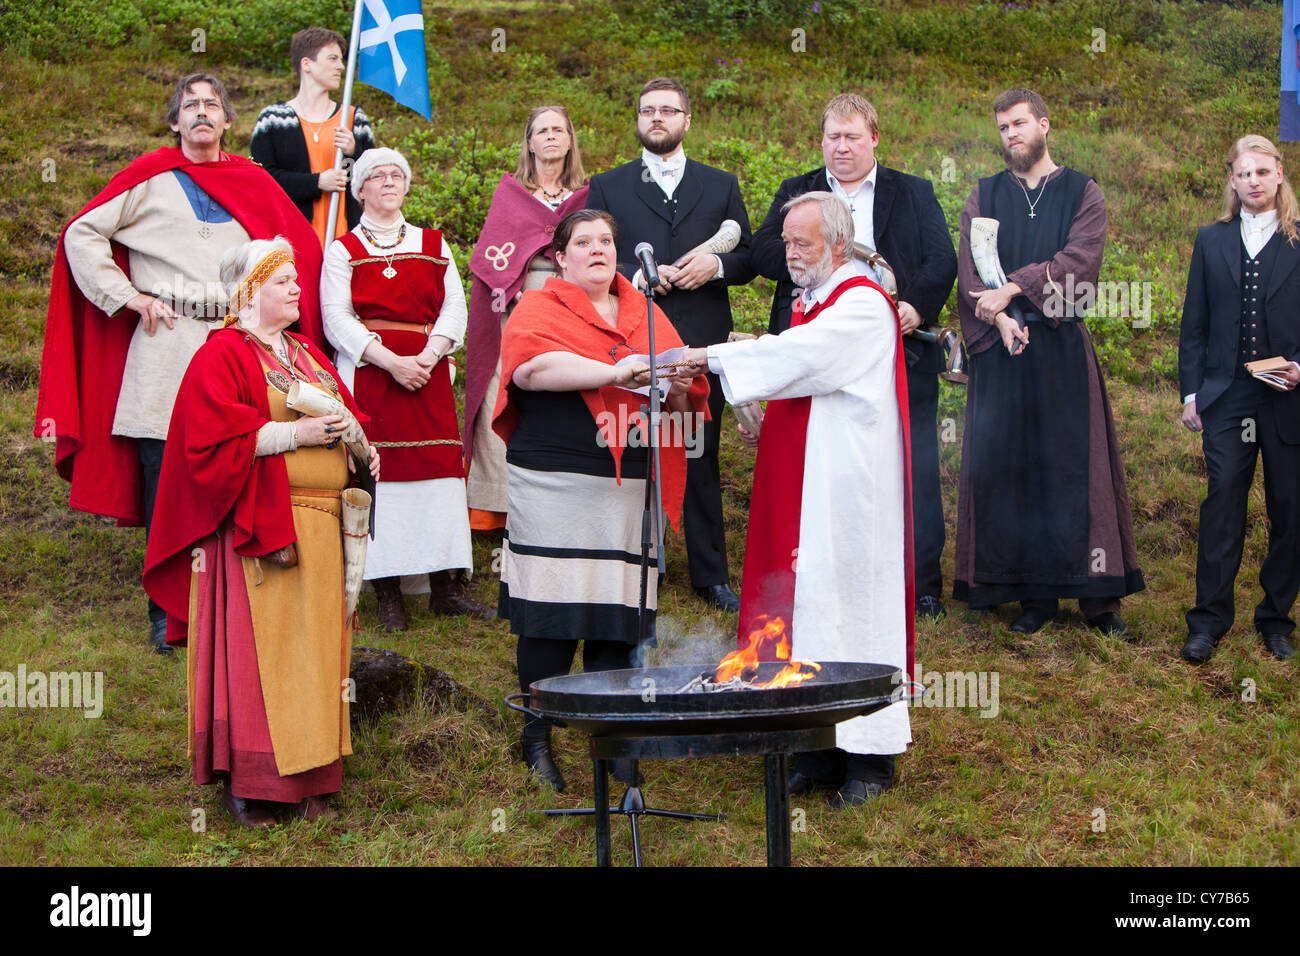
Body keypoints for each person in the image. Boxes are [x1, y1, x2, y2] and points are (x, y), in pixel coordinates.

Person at [35, 73, 324, 655]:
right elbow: (81, 233)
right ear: (174, 121)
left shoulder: (252, 182)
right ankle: (167, 611)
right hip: (164, 343)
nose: (200, 114)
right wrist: (126, 296)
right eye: (189, 105)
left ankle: (235, 603)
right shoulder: (148, 180)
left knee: (239, 461)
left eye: (211, 105)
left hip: (233, 342)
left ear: (226, 121)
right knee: (164, 474)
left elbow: (296, 255)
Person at [680, 192, 913, 808]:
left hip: (849, 492)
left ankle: (871, 754)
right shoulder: (816, 302)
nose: (788, 253)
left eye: (801, 243)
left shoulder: (861, 304)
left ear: (837, 244)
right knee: (807, 606)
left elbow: (805, 359)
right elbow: (797, 368)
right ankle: (817, 744)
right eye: (785, 242)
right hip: (808, 488)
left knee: (854, 607)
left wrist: (709, 355)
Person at [142, 237, 381, 827]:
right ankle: (256, 784)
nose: (298, 290)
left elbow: (348, 415)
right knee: (264, 656)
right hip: (260, 526)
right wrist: (294, 438)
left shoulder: (307, 354)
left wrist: (363, 449)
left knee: (321, 652)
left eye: (298, 280)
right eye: (284, 282)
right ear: (249, 292)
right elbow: (208, 445)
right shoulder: (220, 355)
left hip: (327, 528)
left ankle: (316, 775)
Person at [493, 209, 710, 792]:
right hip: (555, 477)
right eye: (582, 242)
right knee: (551, 612)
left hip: (631, 483)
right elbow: (534, 371)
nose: (597, 250)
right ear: (560, 258)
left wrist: (682, 387)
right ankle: (537, 733)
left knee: (621, 613)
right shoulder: (539, 306)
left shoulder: (647, 313)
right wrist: (621, 371)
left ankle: (611, 736)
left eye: (606, 241)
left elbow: (686, 410)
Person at [749, 93, 957, 621]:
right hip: (812, 348)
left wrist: (912, 306)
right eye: (832, 137)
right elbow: (763, 251)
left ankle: (921, 581)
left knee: (912, 462)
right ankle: (815, 572)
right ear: (821, 140)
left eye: (852, 137)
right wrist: (816, 253)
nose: (841, 147)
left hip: (898, 349)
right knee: (816, 461)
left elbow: (942, 259)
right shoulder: (798, 191)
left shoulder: (911, 192)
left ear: (874, 139)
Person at [953, 88, 1143, 635]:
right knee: (1014, 469)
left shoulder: (1084, 192)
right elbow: (971, 271)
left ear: (1044, 124)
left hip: (1060, 348)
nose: (1010, 135)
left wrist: (1014, 287)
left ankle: (1097, 598)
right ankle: (1033, 595)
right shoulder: (985, 194)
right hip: (1004, 350)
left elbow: (1078, 267)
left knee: (1073, 469)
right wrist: (1000, 318)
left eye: (1018, 124)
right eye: (1002, 128)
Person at [586, 77, 754, 613]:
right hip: (630, 334)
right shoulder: (609, 186)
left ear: (687, 120)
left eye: (668, 110)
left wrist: (718, 264)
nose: (657, 118)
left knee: (701, 450)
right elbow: (589, 254)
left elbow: (750, 256)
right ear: (637, 120)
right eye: (647, 111)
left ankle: (711, 575)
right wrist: (634, 278)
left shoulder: (720, 183)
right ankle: (631, 564)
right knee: (630, 445)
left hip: (701, 337)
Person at [321, 148, 493, 631]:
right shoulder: (343, 250)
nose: (389, 181)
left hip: (427, 372)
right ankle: (388, 592)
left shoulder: (433, 244)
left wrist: (428, 357)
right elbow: (337, 318)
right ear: (359, 190)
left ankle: (446, 588)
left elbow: (454, 309)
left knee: (438, 476)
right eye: (377, 175)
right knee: (380, 478)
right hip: (372, 373)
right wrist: (391, 361)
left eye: (397, 174)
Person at [1178, 134, 1300, 663]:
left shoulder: (1299, 240)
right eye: (1242, 173)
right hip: (1226, 396)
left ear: (1278, 175)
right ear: (1232, 180)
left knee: (1289, 508)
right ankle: (1208, 620)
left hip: (1286, 396)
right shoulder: (1212, 239)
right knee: (1223, 501)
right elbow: (1194, 325)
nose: (1252, 181)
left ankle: (1276, 618)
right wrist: (1190, 394)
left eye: (1262, 172)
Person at [464, 105, 590, 533]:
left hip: (573, 307)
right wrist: (515, 282)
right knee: (505, 390)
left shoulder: (588, 195)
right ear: (530, 143)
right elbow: (490, 257)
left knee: (567, 388)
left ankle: (565, 493)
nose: (551, 137)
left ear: (571, 141)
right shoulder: (512, 194)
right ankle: (496, 503)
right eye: (542, 131)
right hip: (517, 304)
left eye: (559, 130)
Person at [250, 27, 375, 247]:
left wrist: (353, 153)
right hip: (289, 246)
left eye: (341, 59)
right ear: (307, 64)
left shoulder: (354, 119)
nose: (341, 66)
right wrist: (317, 182)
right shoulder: (272, 119)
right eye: (332, 58)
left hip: (347, 245)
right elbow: (262, 182)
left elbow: (373, 183)